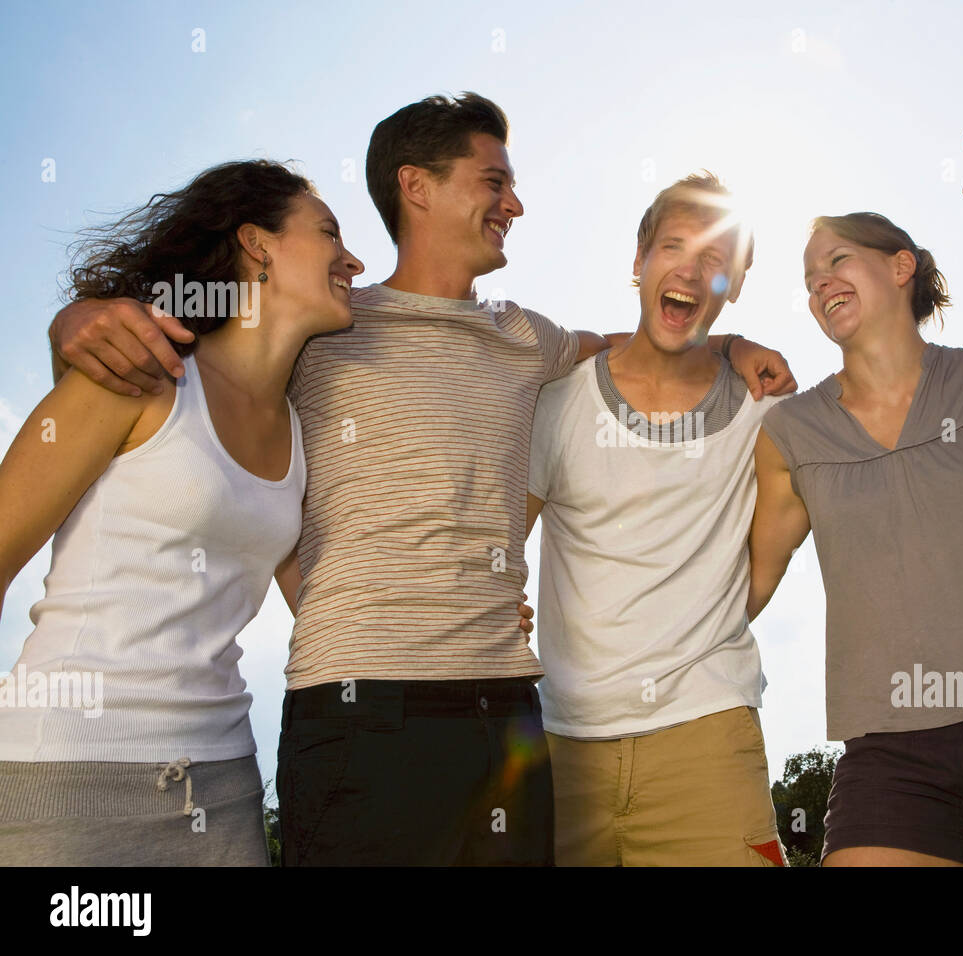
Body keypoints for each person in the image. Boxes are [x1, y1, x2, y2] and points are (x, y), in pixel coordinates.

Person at [47, 93, 794, 865]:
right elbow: (182, 371)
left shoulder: (527, 338)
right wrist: (76, 322)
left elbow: (636, 347)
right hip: (359, 713)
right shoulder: (321, 329)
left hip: (507, 715)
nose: (516, 203)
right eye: (493, 180)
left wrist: (733, 342)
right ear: (418, 186)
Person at [0, 160, 364, 865]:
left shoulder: (297, 429)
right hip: (67, 773)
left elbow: (325, 609)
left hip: (222, 787)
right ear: (257, 243)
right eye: (327, 234)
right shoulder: (137, 374)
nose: (351, 258)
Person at [747, 211, 963, 867]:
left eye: (837, 261)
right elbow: (754, 579)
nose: (821, 284)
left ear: (900, 266)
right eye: (810, 278)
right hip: (888, 744)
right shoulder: (791, 430)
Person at [526, 173, 789, 866]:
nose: (693, 270)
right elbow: (495, 550)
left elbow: (763, 571)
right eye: (675, 246)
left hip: (707, 735)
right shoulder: (556, 403)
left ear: (734, 286)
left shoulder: (768, 414)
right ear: (638, 262)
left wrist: (696, 626)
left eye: (717, 262)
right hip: (561, 747)